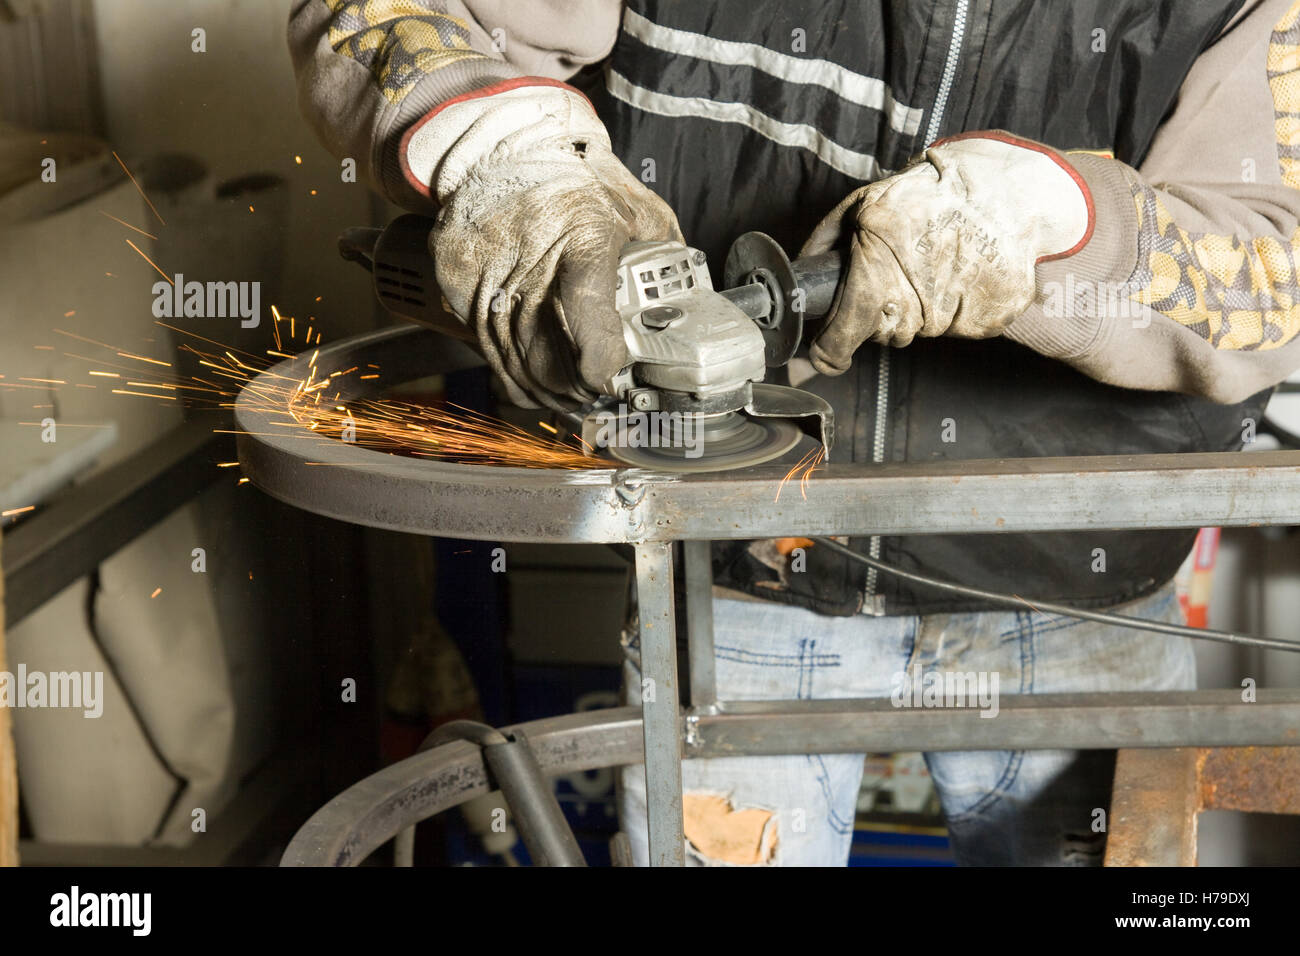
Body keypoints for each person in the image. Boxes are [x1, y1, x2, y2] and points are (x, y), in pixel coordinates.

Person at [290, 0, 1300, 865]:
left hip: (1083, 581)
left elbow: (1278, 255)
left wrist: (1059, 227)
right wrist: (505, 159)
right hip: (738, 575)